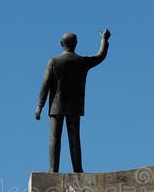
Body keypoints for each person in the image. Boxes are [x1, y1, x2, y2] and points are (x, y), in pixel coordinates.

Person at [35, 29, 111, 172]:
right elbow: (100, 56)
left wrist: (40, 106)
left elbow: (45, 84)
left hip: (56, 107)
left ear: (61, 44)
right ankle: (78, 169)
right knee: (74, 139)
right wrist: (104, 40)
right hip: (74, 107)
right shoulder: (81, 62)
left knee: (54, 139)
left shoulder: (53, 61)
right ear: (76, 44)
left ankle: (52, 170)